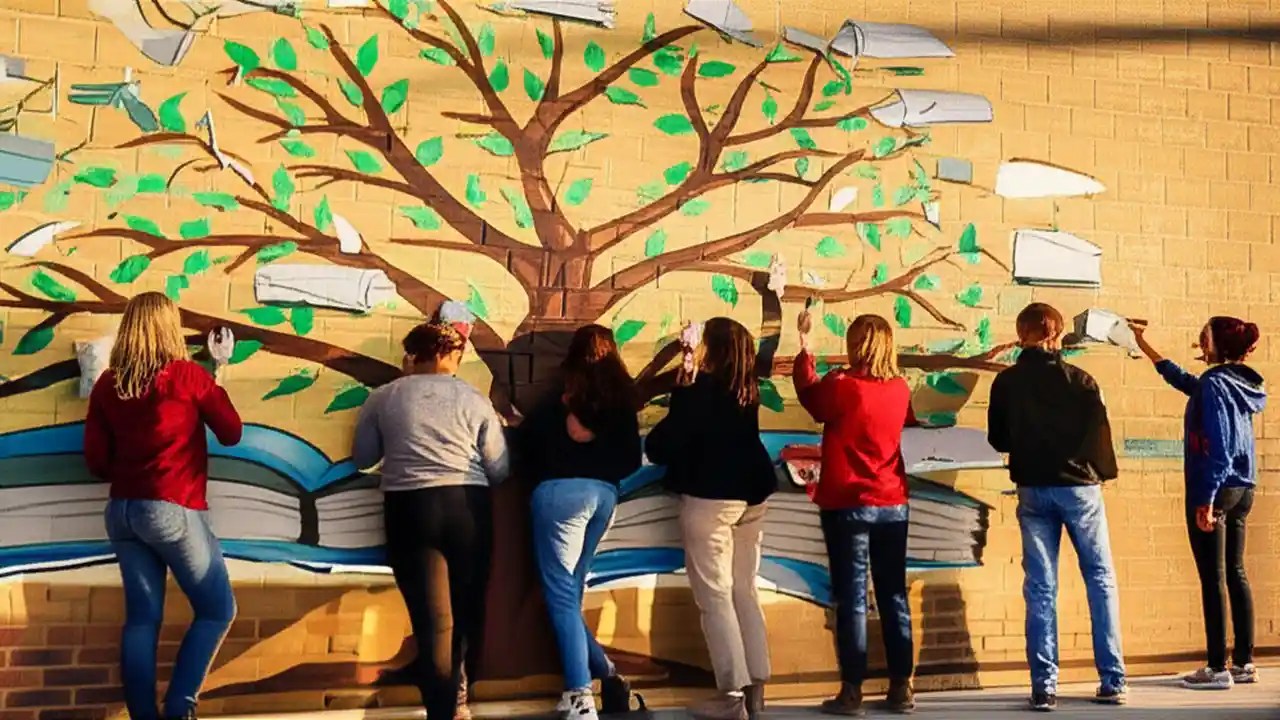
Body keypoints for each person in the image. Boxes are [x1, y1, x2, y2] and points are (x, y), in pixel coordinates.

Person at [83, 292, 243, 720]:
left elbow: (97, 463)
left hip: (122, 512)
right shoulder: (187, 377)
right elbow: (230, 431)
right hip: (172, 507)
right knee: (217, 609)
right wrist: (219, 370)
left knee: (141, 619)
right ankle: (179, 707)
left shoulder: (107, 383)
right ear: (171, 328)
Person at [352, 320, 509, 720]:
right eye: (458, 355)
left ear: (413, 356)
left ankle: (441, 710)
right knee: (466, 611)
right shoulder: (474, 399)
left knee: (434, 621)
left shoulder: (384, 397)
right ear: (446, 354)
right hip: (466, 507)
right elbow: (499, 469)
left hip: (410, 509)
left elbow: (363, 457)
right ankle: (457, 702)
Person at [986, 303, 1126, 712]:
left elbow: (999, 440)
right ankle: (1112, 679)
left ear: (1020, 332)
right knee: (1099, 579)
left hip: (1032, 487)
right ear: (1058, 334)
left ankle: (1044, 686)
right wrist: (1099, 472)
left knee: (1041, 588)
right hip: (1080, 487)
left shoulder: (1007, 383)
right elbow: (1100, 437)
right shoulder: (1081, 380)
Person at [645, 318, 776, 720]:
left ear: (712, 350)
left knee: (716, 598)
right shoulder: (747, 390)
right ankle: (756, 693)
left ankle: (731, 696)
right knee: (744, 592)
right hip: (752, 496)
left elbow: (662, 445)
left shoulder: (698, 391)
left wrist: (682, 385)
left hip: (711, 501)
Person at [792, 311, 917, 715]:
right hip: (892, 502)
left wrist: (806, 348)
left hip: (848, 502)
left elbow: (811, 398)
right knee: (893, 593)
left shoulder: (843, 386)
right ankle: (901, 686)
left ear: (855, 344)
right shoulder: (900, 388)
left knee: (853, 598)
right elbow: (908, 424)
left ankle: (852, 691)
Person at [1130, 317, 1265, 689]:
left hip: (1216, 490)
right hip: (1243, 489)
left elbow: (1220, 450)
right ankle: (1244, 662)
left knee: (1213, 578)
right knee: (1235, 573)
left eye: (1203, 336)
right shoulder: (1238, 383)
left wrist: (1205, 499)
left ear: (1217, 345)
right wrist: (1144, 346)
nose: (1197, 341)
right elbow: (1186, 382)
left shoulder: (1214, 385)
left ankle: (1216, 668)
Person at [518, 325, 642, 720]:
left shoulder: (555, 404)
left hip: (557, 498)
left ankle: (579, 696)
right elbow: (629, 462)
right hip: (603, 497)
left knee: (560, 597)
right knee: (569, 595)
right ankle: (609, 675)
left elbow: (522, 449)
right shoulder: (622, 405)